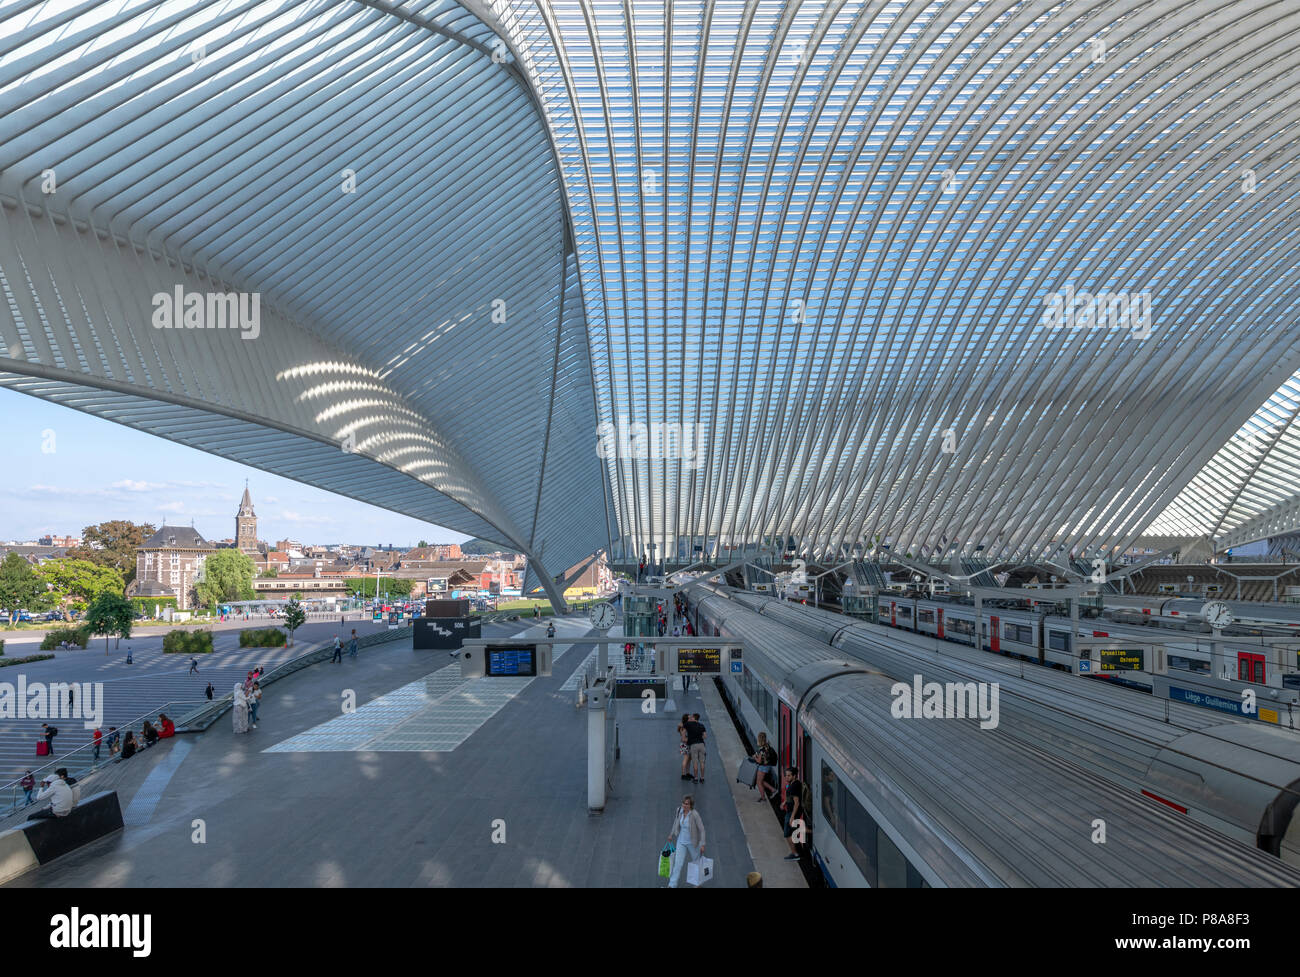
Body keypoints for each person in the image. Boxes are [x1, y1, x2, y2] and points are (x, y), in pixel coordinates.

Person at [666, 795, 706, 888]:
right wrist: (671, 834)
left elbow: (702, 829)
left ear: (691, 805)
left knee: (696, 863)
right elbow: (676, 822)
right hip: (681, 841)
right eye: (683, 803)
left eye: (686, 804)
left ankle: (697, 884)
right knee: (678, 864)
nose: (684, 805)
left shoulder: (694, 814)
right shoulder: (679, 810)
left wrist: (703, 844)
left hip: (693, 842)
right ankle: (672, 885)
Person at [781, 766, 803, 860]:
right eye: (786, 775)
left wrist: (792, 817)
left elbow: (796, 803)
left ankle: (795, 854)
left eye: (789, 776)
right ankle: (796, 851)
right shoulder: (794, 783)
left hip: (792, 813)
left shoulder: (794, 786)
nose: (786, 777)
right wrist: (784, 802)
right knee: (791, 832)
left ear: (794, 776)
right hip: (790, 812)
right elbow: (790, 796)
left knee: (787, 834)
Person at [752, 732, 778, 802]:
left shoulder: (761, 750)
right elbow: (764, 757)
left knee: (758, 782)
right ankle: (773, 790)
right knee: (761, 781)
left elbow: (759, 761)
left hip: (763, 767)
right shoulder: (767, 746)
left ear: (759, 739)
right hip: (768, 766)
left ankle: (763, 798)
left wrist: (755, 758)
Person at [683, 713, 706, 784]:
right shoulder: (702, 725)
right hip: (702, 745)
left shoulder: (688, 724)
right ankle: (702, 778)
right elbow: (705, 736)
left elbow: (681, 725)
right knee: (702, 762)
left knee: (695, 763)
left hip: (694, 745)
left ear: (693, 718)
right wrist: (699, 738)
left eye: (691, 717)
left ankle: (696, 778)